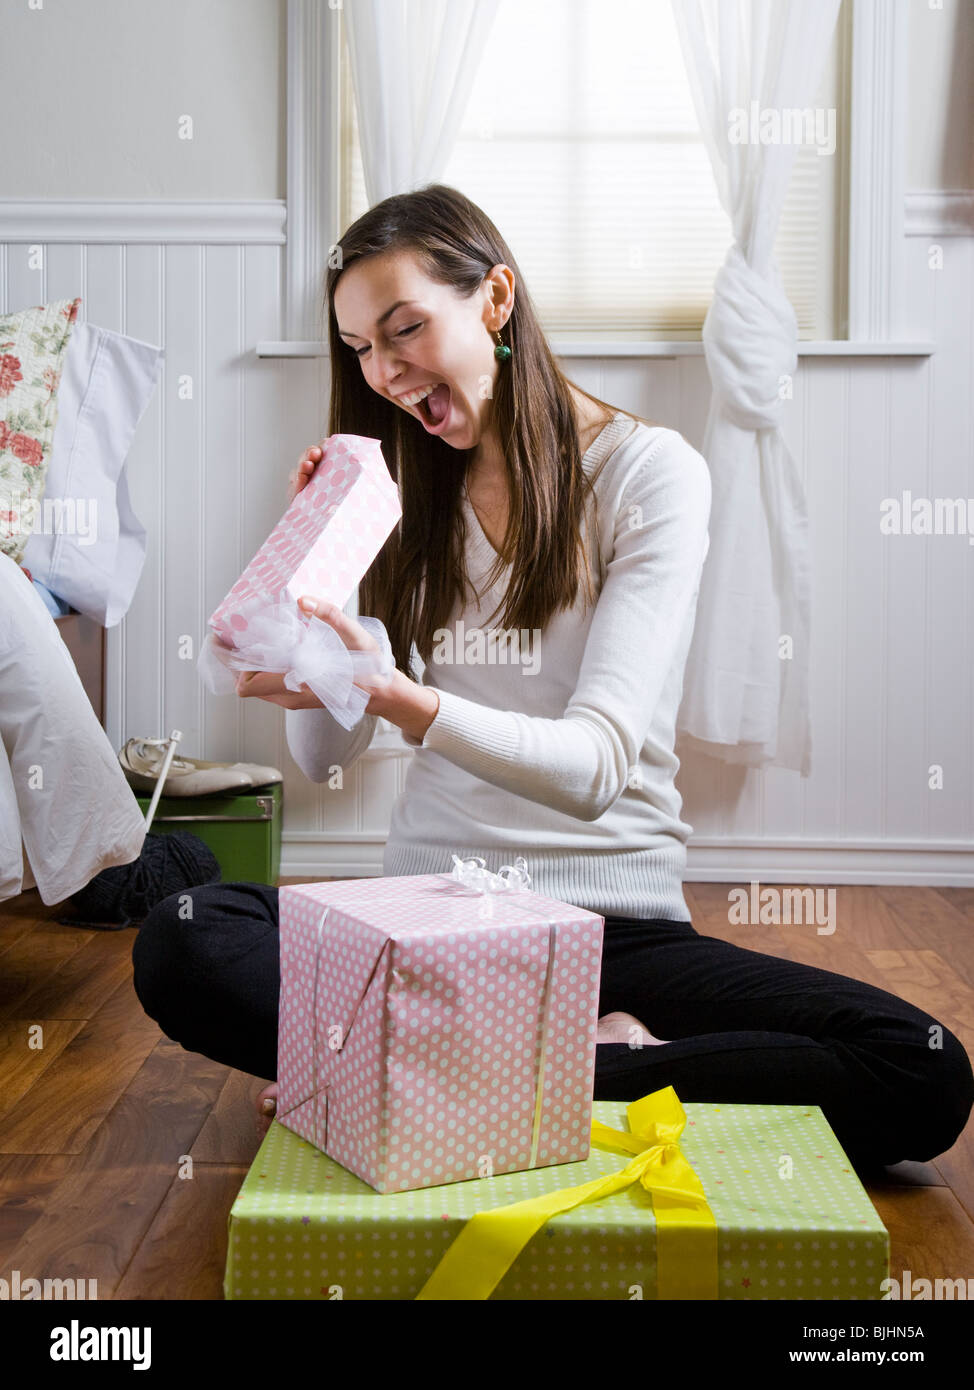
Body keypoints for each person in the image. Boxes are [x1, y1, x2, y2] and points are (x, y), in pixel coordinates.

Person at [132, 184, 973, 1173]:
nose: (383, 371)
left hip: (615, 925)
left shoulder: (649, 474)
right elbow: (326, 757)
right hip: (427, 925)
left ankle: (448, 1067)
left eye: (403, 329)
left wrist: (403, 696)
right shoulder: (402, 494)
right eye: (358, 347)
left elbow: (594, 765)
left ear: (495, 299)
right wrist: (326, 577)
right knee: (185, 932)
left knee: (918, 1067)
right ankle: (503, 1060)